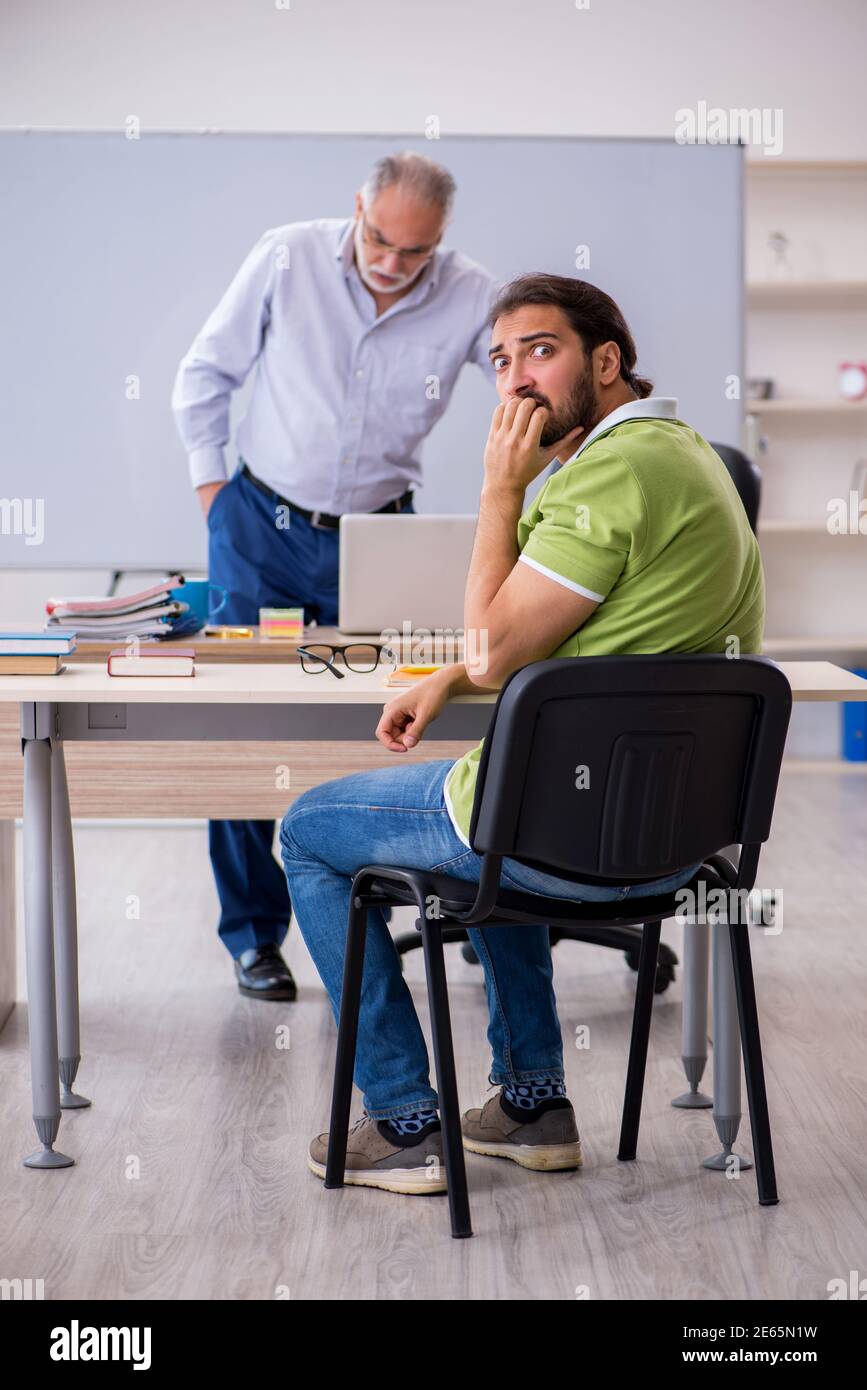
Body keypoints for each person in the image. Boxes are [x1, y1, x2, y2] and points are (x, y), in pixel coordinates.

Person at [279, 272, 766, 1195]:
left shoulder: (610, 470)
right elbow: (564, 636)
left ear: (607, 362)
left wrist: (498, 494)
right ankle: (532, 1107)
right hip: (675, 843)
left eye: (539, 351)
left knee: (307, 831)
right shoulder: (681, 455)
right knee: (494, 812)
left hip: (562, 834)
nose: (514, 381)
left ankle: (403, 1120)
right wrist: (453, 672)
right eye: (498, 362)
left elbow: (501, 653)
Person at [171, 152, 498, 1001]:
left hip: (377, 531)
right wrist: (216, 503)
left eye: (414, 253)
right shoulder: (287, 255)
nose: (392, 264)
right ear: (356, 209)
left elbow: (523, 381)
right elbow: (204, 374)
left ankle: (366, 918)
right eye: (380, 240)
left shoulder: (470, 293)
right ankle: (254, 937)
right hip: (260, 523)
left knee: (388, 717)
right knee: (241, 728)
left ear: (441, 242)